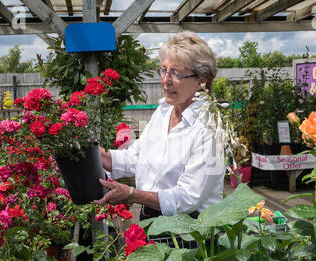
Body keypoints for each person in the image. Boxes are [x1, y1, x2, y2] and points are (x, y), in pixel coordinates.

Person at [95, 31, 225, 221]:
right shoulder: (164, 112)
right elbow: (135, 159)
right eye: (164, 70)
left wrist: (131, 194)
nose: (165, 80)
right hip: (150, 218)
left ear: (201, 82)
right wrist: (94, 154)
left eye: (176, 73)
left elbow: (188, 198)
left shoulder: (208, 128)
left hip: (189, 232)